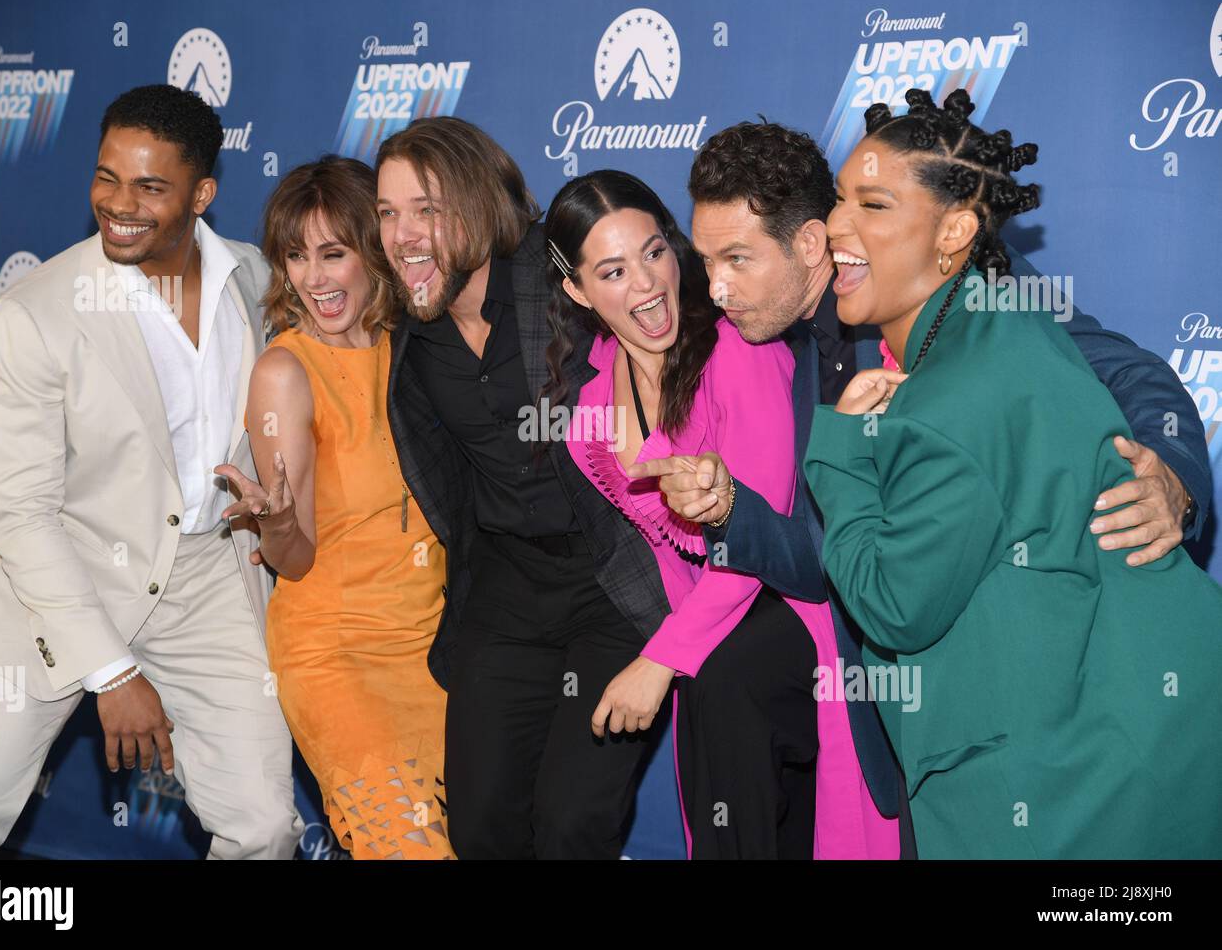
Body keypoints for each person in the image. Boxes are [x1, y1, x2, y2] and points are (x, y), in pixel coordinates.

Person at [630, 117, 1214, 858]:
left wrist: (1174, 478)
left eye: (736, 259)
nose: (713, 288)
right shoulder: (805, 342)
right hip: (952, 698)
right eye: (706, 260)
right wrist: (730, 512)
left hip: (1081, 717)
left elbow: (1135, 377)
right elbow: (837, 550)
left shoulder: (979, 305)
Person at [799, 88, 1222, 858]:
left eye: (873, 203)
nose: (834, 227)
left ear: (956, 229)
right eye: (836, 200)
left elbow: (894, 601)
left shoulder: (970, 354)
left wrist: (841, 451)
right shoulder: (981, 317)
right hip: (1121, 727)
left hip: (1078, 770)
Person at [0, 84, 303, 858]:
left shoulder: (256, 281)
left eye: (150, 187)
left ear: (202, 194)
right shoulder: (31, 316)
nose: (118, 204)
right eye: (107, 177)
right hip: (62, 574)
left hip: (209, 579)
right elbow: (21, 515)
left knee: (264, 828)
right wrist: (111, 672)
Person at [542, 169, 898, 859]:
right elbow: (664, 558)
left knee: (727, 690)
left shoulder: (735, 348)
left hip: (794, 598)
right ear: (577, 290)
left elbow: (766, 529)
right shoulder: (590, 397)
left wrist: (666, 658)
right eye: (613, 271)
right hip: (707, 627)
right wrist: (677, 648)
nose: (646, 284)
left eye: (654, 252)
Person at [375, 118, 673, 858]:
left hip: (610, 582)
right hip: (503, 593)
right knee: (479, 828)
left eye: (425, 209)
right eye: (386, 213)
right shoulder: (414, 331)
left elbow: (679, 299)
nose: (402, 233)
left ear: (477, 202)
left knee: (573, 822)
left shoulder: (559, 280)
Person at [214, 156, 453, 859]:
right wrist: (278, 523)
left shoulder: (413, 349)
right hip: (340, 658)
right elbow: (294, 557)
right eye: (295, 256)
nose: (313, 277)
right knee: (409, 848)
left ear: (374, 253)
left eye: (333, 253)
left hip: (436, 651)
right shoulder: (285, 371)